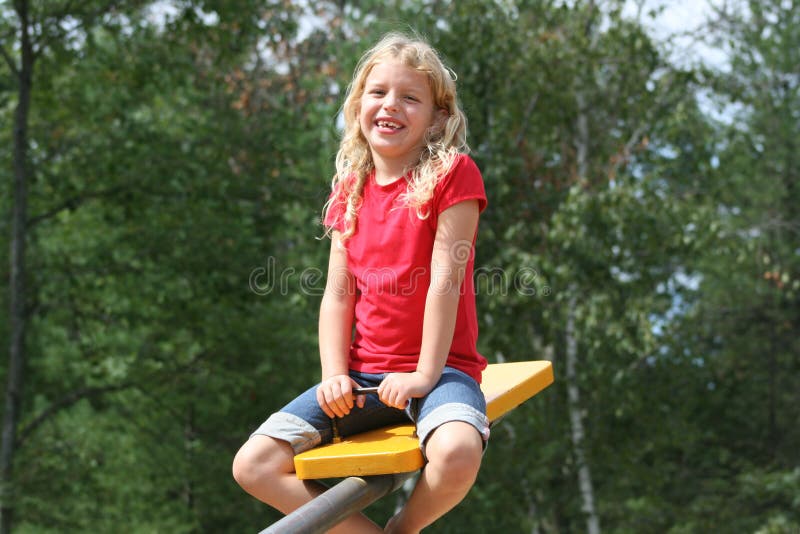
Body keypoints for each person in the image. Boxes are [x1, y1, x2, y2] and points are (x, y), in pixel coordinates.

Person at [232, 32, 489, 533]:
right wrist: (334, 373)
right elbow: (338, 295)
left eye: (410, 97)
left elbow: (445, 282)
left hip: (438, 374)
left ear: (437, 116)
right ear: (357, 105)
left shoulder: (452, 175)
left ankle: (403, 527)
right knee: (253, 465)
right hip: (361, 379)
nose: (390, 105)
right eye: (378, 92)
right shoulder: (350, 186)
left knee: (457, 452)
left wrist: (422, 375)